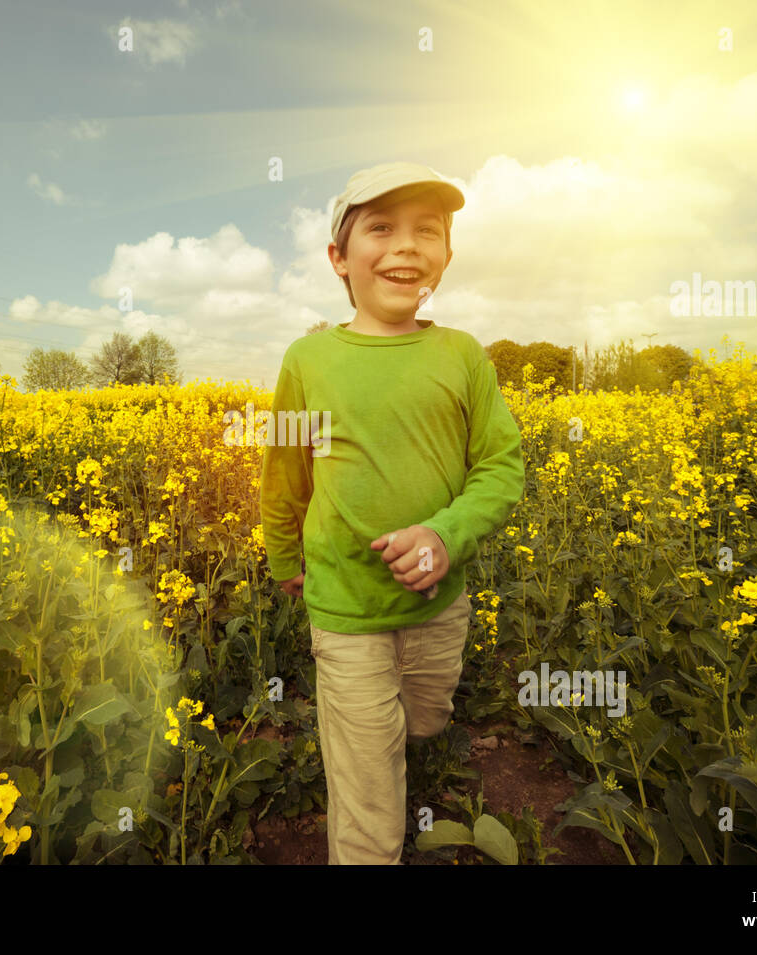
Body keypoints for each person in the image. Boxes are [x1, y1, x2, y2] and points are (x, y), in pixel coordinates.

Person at [259, 161, 525, 864]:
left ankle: (409, 745)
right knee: (369, 789)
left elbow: (501, 467)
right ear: (338, 258)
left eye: (427, 232)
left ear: (446, 254)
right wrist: (285, 558)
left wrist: (445, 533)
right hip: (344, 608)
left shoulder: (462, 355)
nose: (407, 246)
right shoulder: (308, 359)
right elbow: (285, 471)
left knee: (427, 719)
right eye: (381, 228)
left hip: (441, 603)